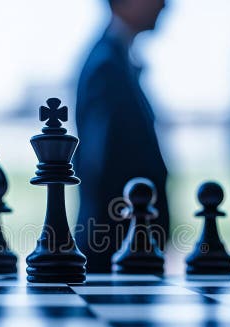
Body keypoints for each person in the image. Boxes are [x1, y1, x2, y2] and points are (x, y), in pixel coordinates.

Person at [74, 0, 169, 273]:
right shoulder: (106, 64)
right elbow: (99, 165)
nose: (164, 5)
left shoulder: (114, 58)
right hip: (114, 239)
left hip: (122, 234)